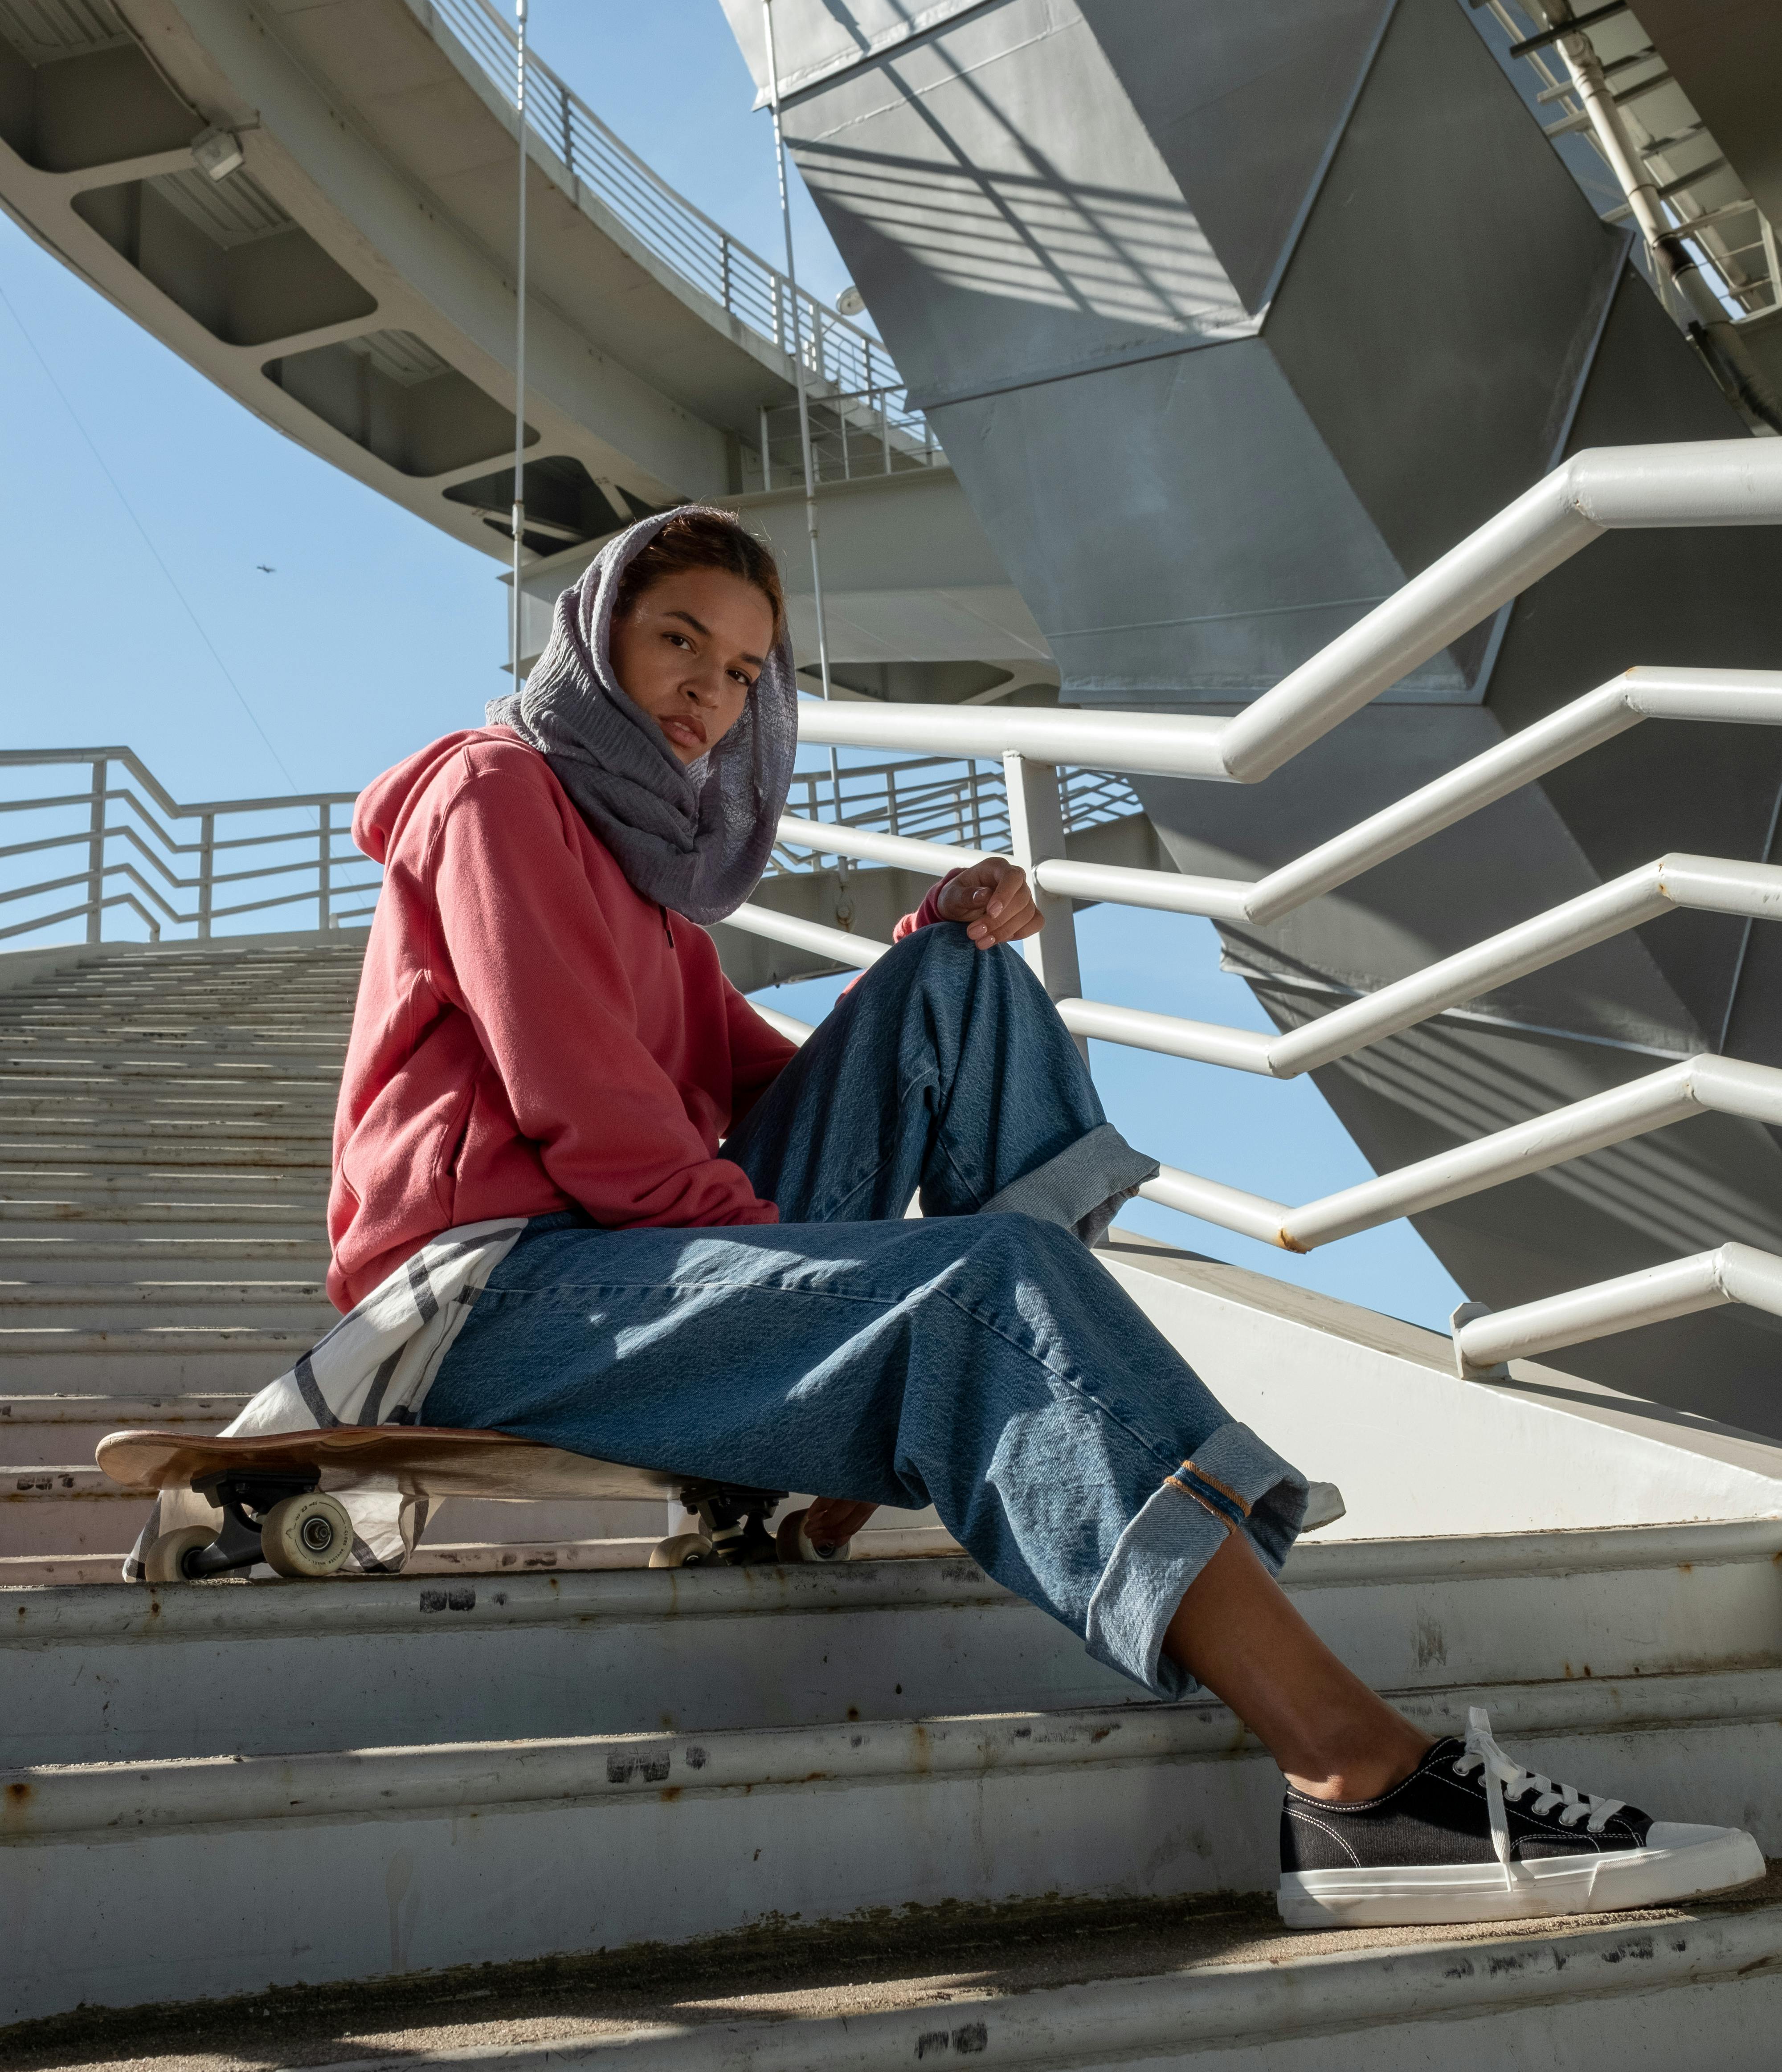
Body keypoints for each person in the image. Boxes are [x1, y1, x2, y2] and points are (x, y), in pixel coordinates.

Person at [327, 503, 1762, 1930]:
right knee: (976, 1285)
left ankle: (1048, 1434)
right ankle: (1358, 1785)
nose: (712, 691)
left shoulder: (648, 889)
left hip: (626, 1257)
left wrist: (922, 952)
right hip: (493, 1294)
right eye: (679, 641)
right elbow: (600, 1117)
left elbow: (765, 1083)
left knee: (961, 984)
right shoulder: (496, 793)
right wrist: (853, 1281)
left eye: (751, 670)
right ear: (595, 640)